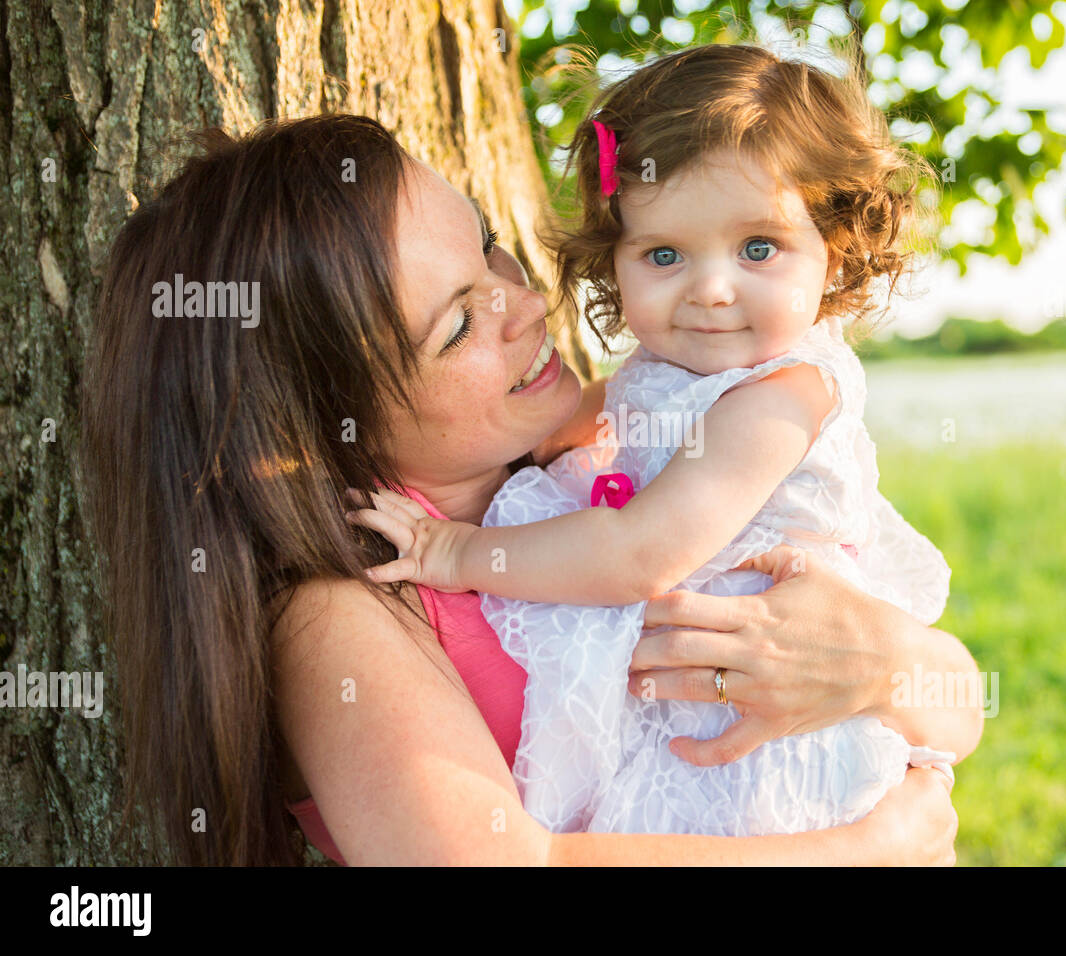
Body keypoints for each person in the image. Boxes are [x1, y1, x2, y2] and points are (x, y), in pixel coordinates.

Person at [81, 111, 979, 865]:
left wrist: (883, 663)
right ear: (318, 419)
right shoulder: (346, 617)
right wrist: (866, 848)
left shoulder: (613, 447)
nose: (525, 304)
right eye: (461, 323)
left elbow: (955, 702)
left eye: (490, 249)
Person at [349, 44, 960, 836]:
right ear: (616, 264)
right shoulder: (666, 374)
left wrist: (456, 553)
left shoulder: (778, 399)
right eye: (665, 255)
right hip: (699, 689)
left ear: (831, 251)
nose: (710, 289)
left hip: (758, 730)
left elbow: (643, 555)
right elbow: (591, 426)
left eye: (759, 248)